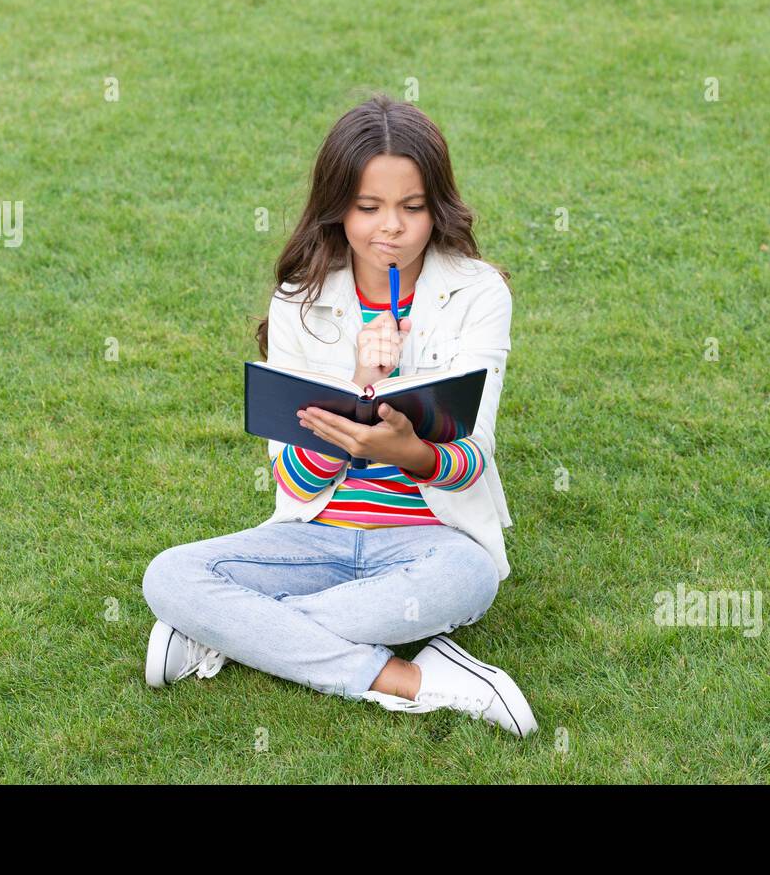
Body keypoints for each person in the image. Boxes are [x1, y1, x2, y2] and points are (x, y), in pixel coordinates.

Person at [141, 94, 536, 737]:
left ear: (437, 207)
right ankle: (416, 678)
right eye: (368, 207)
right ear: (336, 207)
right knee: (170, 575)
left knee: (470, 579)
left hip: (430, 542)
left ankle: (229, 632)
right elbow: (294, 483)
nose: (392, 228)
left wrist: (405, 451)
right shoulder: (300, 301)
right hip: (313, 536)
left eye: (412, 208)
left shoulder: (477, 292)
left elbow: (471, 462)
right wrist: (357, 386)